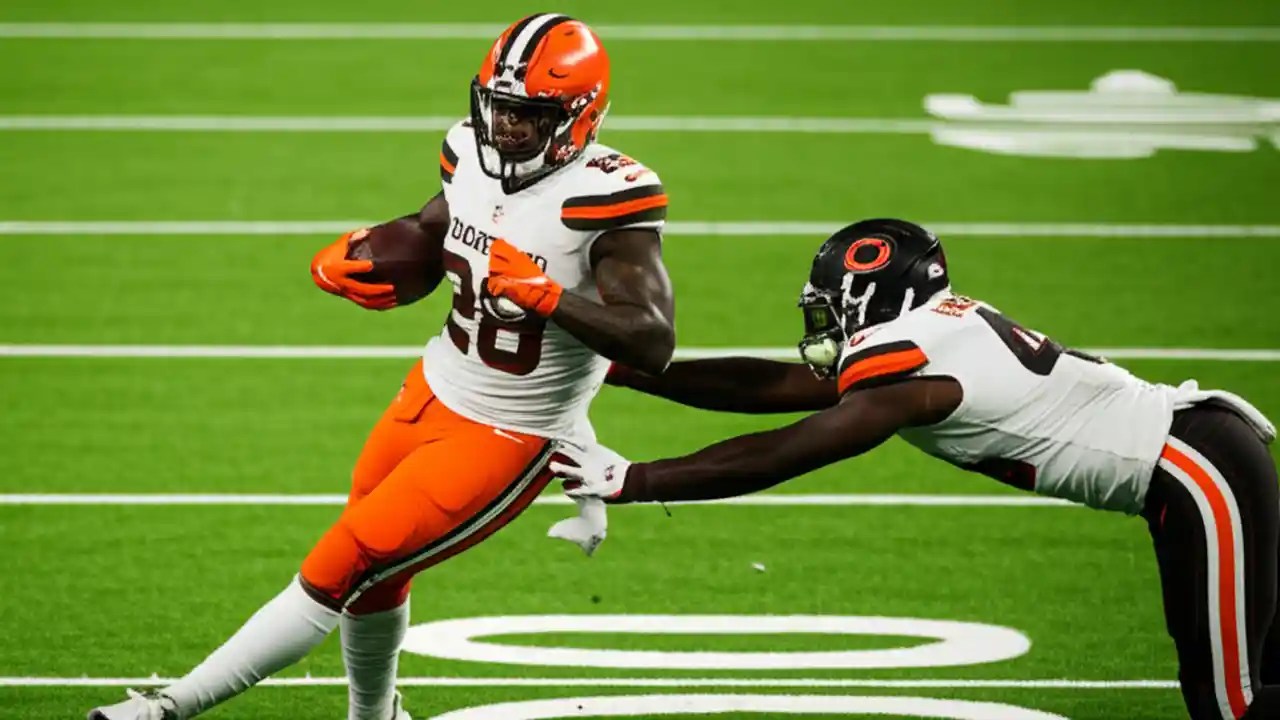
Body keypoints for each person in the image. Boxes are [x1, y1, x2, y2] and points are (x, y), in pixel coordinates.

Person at [90, 14, 676, 720]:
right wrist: (369, 253)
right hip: (430, 390)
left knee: (344, 560)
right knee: (374, 580)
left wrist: (547, 295)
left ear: (580, 116)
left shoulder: (609, 199)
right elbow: (440, 229)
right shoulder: (468, 152)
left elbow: (652, 341)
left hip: (511, 430)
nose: (507, 126)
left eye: (530, 114)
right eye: (499, 106)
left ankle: (168, 707)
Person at [554, 218, 1280, 720]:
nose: (824, 324)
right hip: (1196, 463)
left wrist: (639, 480)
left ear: (868, 297)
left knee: (1230, 706)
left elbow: (799, 445)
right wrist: (632, 371)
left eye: (831, 307)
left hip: (1195, 472)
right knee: (1226, 685)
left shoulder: (911, 354)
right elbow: (771, 387)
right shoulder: (936, 332)